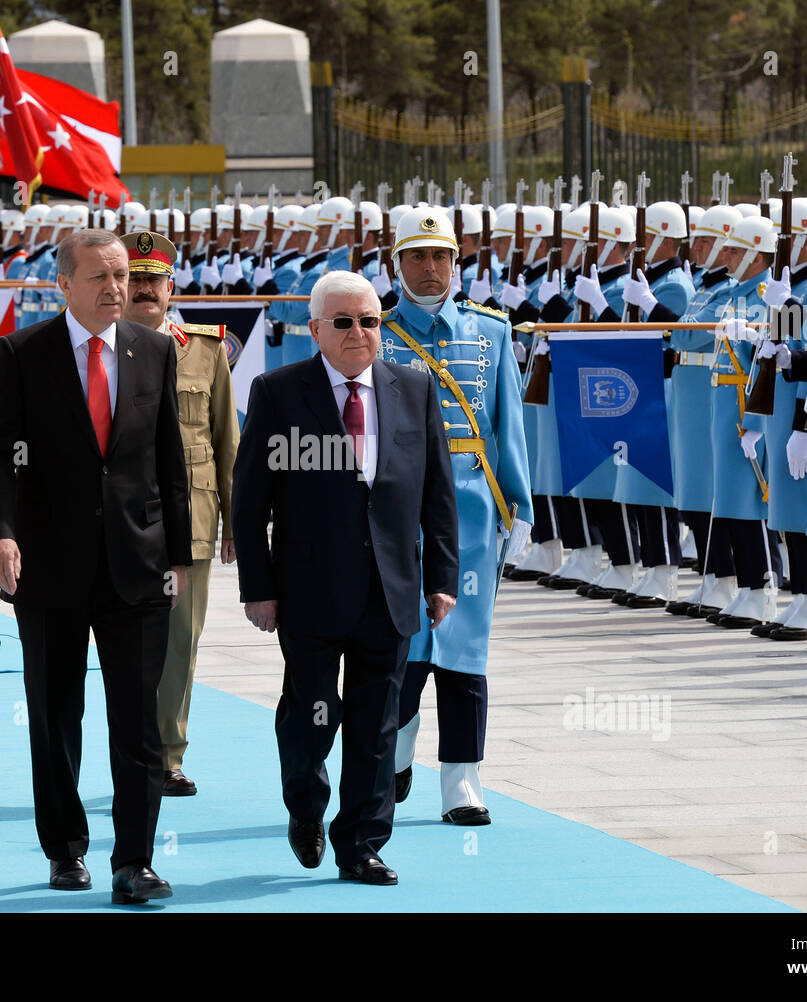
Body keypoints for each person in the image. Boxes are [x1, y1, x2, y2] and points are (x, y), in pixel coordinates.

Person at [0, 228, 191, 905]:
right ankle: (65, 849)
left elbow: (170, 464)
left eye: (122, 276)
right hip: (50, 563)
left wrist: (178, 555)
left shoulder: (154, 349)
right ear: (63, 284)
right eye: (99, 277)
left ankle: (136, 860)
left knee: (138, 719)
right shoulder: (21, 352)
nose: (115, 289)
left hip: (137, 563)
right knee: (55, 714)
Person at [232, 270, 459, 885]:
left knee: (376, 722)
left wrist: (441, 577)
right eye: (344, 322)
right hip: (307, 589)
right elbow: (250, 500)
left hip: (390, 589)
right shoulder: (279, 392)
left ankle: (360, 842)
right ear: (315, 331)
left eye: (369, 321)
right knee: (311, 713)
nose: (359, 332)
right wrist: (259, 586)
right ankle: (305, 804)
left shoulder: (414, 389)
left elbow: (437, 492)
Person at [380, 206, 533, 826]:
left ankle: (462, 779)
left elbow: (509, 428)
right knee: (405, 640)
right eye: (417, 256)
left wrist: (519, 508)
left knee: (466, 645)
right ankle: (394, 748)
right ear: (397, 265)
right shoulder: (379, 332)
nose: (431, 267)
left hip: (471, 510)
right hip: (398, 511)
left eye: (441, 256)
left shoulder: (492, 331)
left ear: (457, 262)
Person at [121, 229, 239, 796]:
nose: (145, 290)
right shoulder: (97, 348)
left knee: (179, 641)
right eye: (134, 278)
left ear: (172, 286)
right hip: (115, 519)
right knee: (120, 641)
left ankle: (167, 754)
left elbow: (226, 441)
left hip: (189, 518)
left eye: (154, 280)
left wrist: (237, 523)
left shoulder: (206, 350)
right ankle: (130, 749)